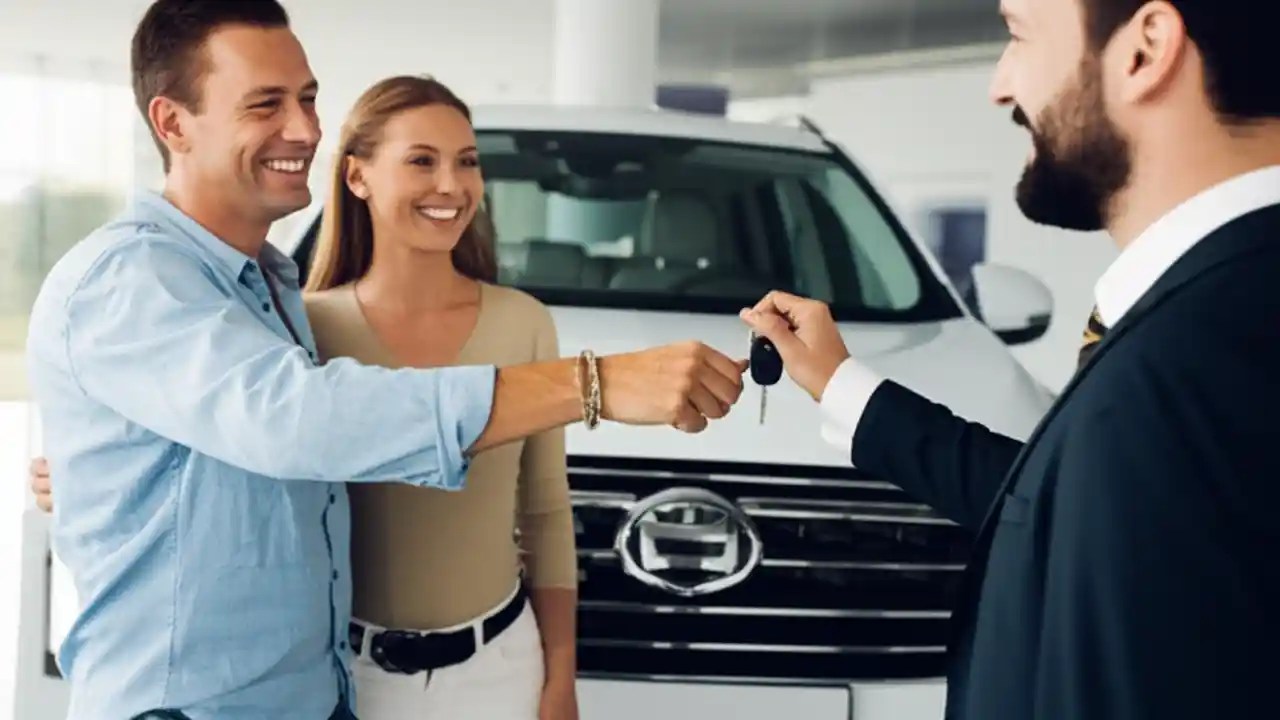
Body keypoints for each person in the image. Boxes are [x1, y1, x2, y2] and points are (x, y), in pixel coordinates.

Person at [23, 2, 745, 719]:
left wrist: (106, 474)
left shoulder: (268, 289)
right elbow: (301, 422)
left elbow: (263, 460)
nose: (305, 129)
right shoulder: (132, 278)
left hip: (321, 695)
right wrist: (596, 383)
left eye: (307, 99)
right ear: (173, 123)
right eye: (265, 104)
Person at [740, 0, 1280, 718]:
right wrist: (843, 385)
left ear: (1145, 50)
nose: (1000, 84)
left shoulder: (1197, 356)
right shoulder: (1213, 315)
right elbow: (1074, 505)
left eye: (1018, 35)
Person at [304, 75, 579, 719]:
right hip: (342, 679)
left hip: (500, 674)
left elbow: (545, 513)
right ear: (357, 177)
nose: (452, 186)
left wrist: (559, 680)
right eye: (421, 161)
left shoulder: (525, 323)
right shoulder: (307, 327)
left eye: (467, 162)